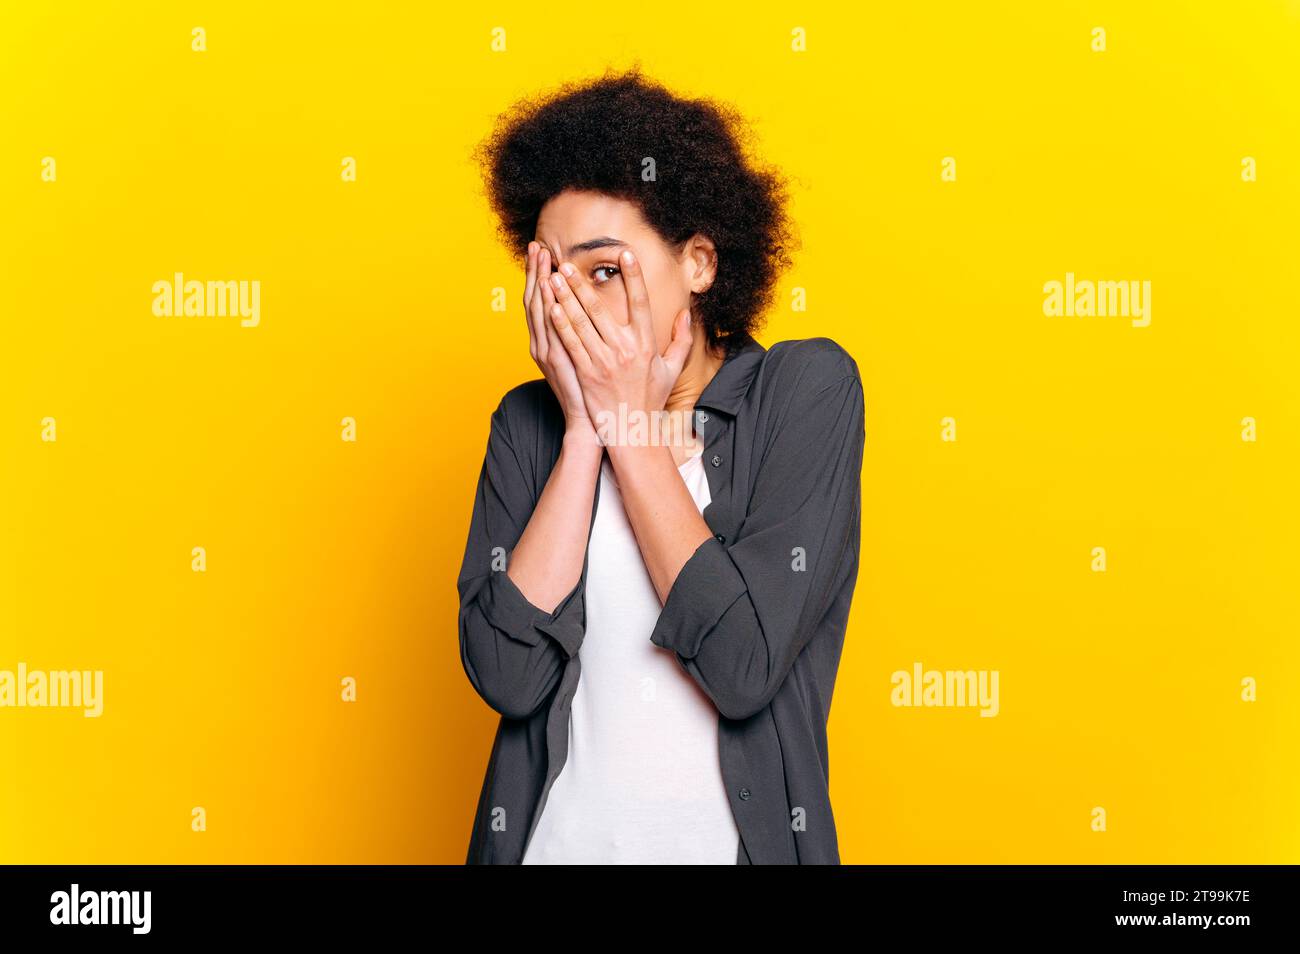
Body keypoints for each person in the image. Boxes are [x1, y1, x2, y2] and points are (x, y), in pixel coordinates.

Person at [458, 65, 865, 864]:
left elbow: (743, 665)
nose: (574, 305)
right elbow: (506, 675)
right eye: (554, 277)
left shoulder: (804, 390)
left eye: (604, 270)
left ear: (701, 265)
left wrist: (630, 428)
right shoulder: (529, 425)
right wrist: (584, 436)